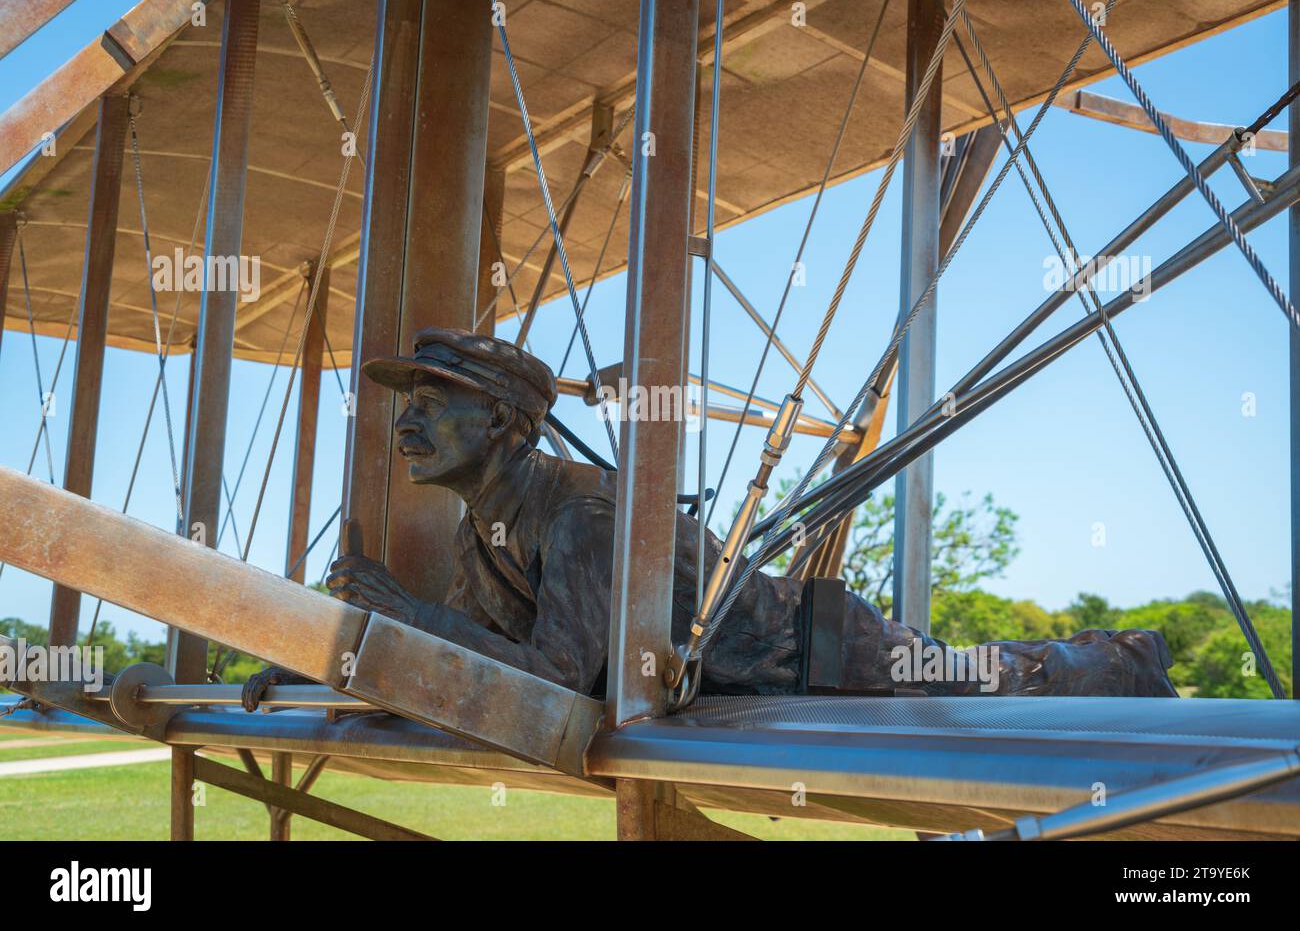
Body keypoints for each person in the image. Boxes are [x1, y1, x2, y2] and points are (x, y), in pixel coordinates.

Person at [243, 327, 1175, 710]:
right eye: (405, 399)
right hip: (775, 657)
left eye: (431, 398)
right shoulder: (485, 529)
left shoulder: (579, 520)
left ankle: (1131, 658)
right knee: (994, 678)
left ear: (501, 421)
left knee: (1003, 681)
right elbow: (463, 644)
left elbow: (553, 679)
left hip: (816, 647)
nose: (405, 419)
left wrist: (391, 618)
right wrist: (323, 657)